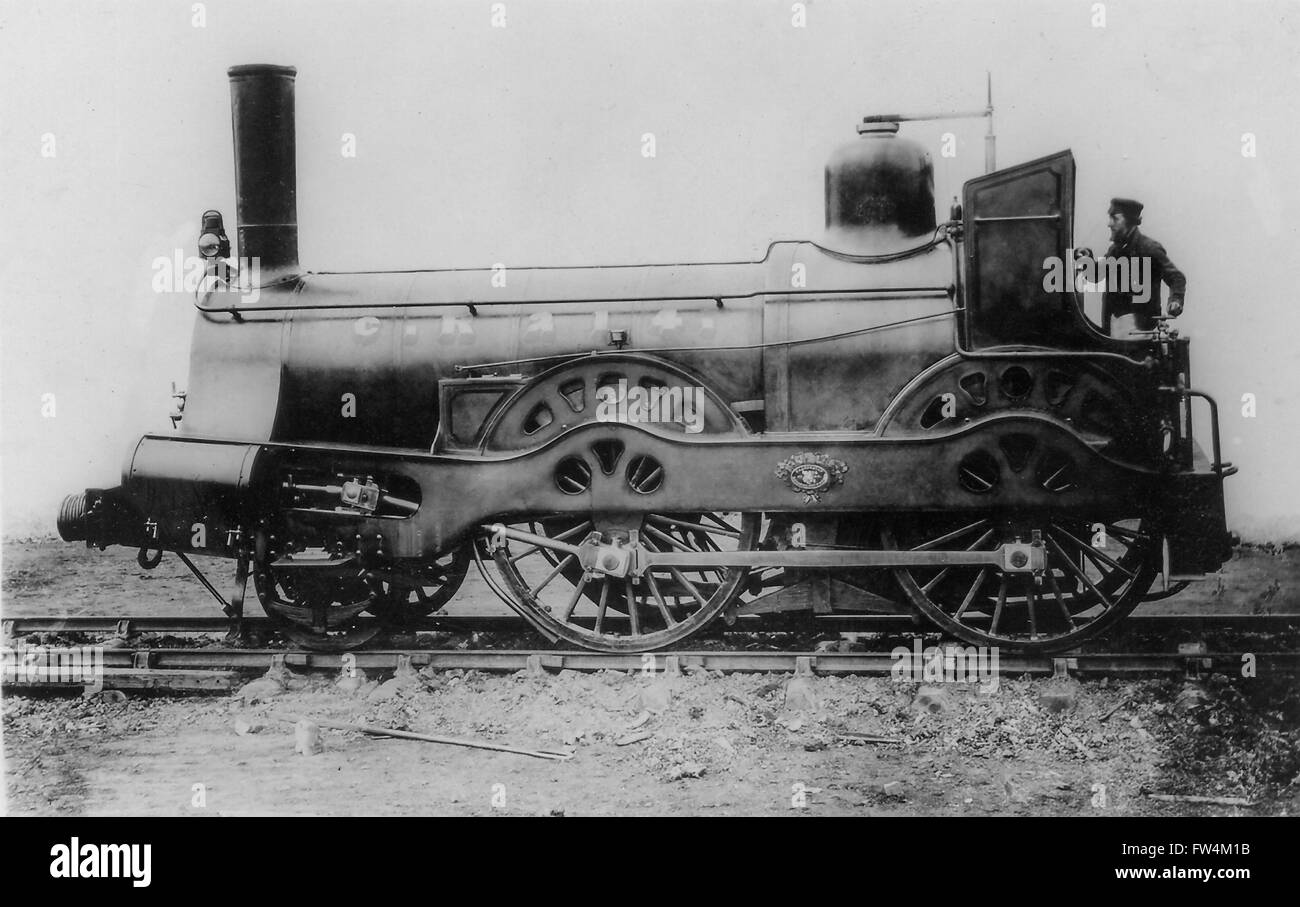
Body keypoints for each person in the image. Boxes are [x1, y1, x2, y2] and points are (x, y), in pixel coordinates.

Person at [1100, 198, 1187, 337]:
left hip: (1141, 334)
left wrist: (1176, 300)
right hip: (1114, 332)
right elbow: (1097, 274)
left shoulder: (1149, 249)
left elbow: (1176, 277)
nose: (1109, 224)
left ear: (1129, 221)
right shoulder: (1114, 251)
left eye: (1115, 219)